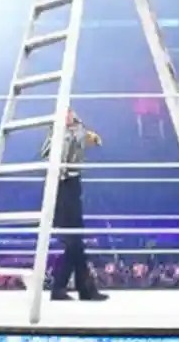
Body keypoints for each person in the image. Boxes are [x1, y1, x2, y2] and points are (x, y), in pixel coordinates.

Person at [39, 110, 107, 301]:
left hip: (72, 183)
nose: (69, 114)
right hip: (62, 184)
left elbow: (94, 140)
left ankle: (72, 288)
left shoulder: (78, 131)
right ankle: (78, 289)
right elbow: (47, 154)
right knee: (74, 242)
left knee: (75, 241)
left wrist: (82, 133)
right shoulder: (57, 133)